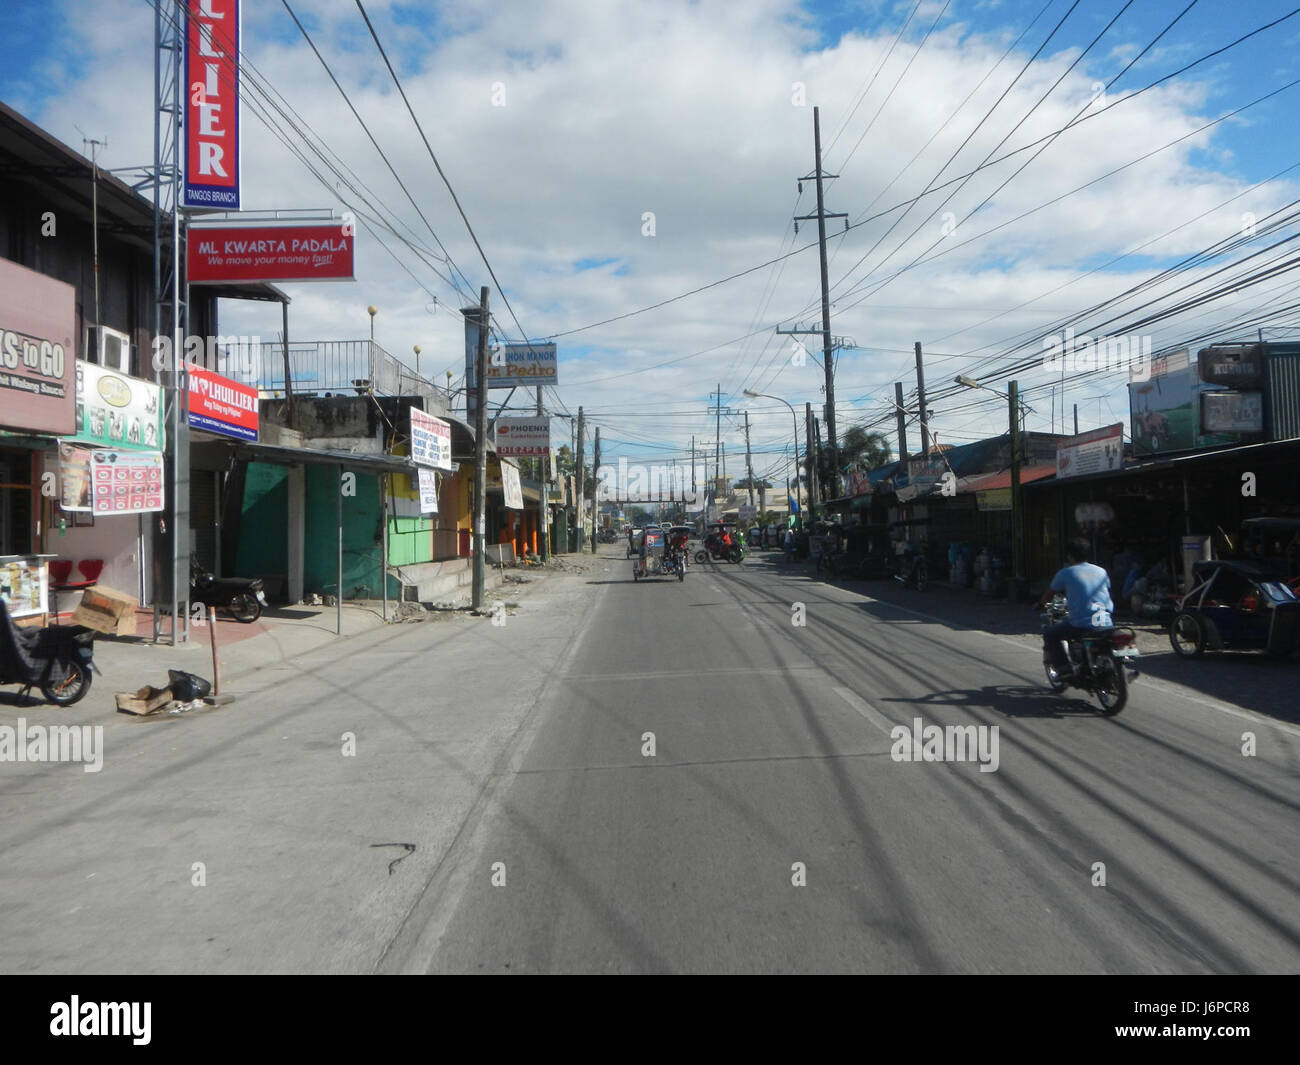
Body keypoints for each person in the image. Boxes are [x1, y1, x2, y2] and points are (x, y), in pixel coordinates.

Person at [1038, 537, 1114, 677]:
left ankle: (1064, 668)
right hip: (1106, 622)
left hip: (1080, 624)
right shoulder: (1101, 571)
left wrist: (1040, 604)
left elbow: (1049, 595)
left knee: (1050, 634)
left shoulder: (1066, 573)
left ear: (1069, 555)